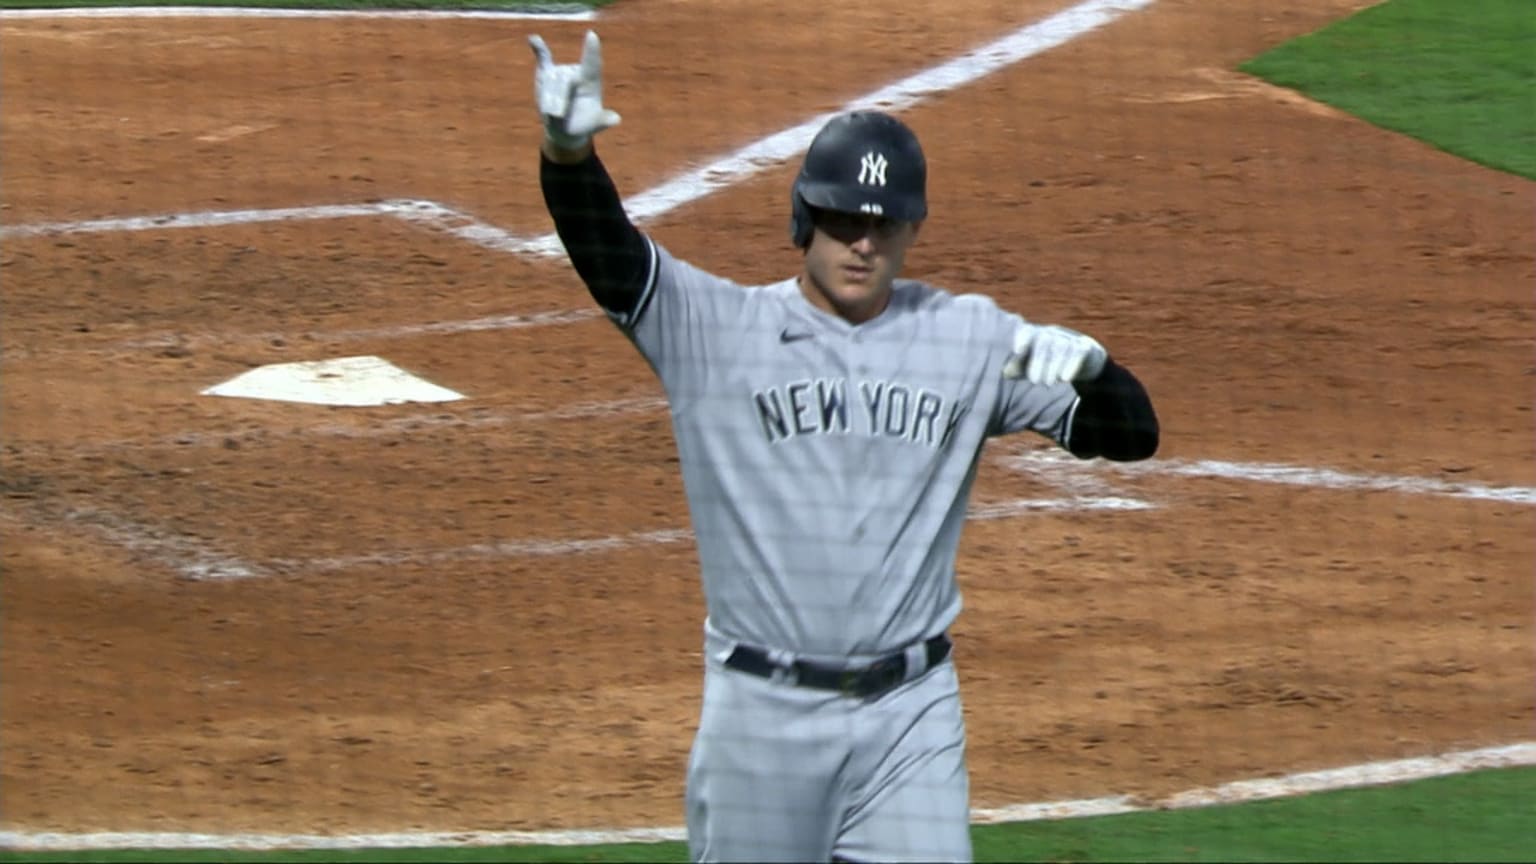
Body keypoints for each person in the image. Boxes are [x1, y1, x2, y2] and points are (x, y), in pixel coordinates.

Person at [528, 30, 1158, 864]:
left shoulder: (967, 337)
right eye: (842, 218)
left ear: (910, 228)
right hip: (763, 719)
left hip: (912, 720)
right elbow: (611, 256)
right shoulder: (717, 330)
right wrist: (566, 160)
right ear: (804, 217)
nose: (863, 241)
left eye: (884, 221)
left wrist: (1096, 369)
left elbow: (1133, 436)